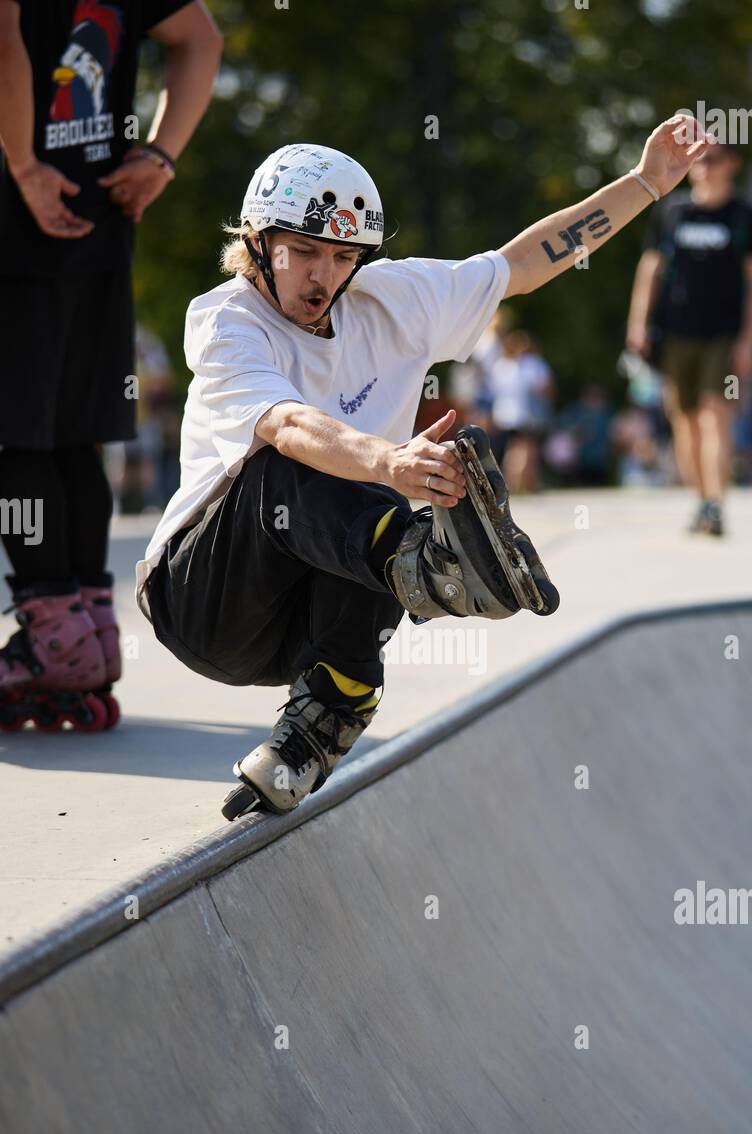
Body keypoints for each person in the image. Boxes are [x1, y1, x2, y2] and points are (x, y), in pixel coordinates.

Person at [135, 118, 710, 820]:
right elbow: (286, 423)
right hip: (203, 600)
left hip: (295, 627)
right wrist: (388, 457)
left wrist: (645, 183)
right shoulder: (228, 321)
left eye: (342, 257)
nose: (322, 277)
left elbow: (524, 265)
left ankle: (325, 715)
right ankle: (420, 563)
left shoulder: (394, 299)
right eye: (303, 253)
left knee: (388, 496)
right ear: (257, 241)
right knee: (306, 465)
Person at [0, 0, 221, 731]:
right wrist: (161, 156)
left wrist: (24, 163)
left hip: (20, 226)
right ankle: (87, 633)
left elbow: (4, 41)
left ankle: (55, 642)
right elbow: (201, 39)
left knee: (17, 440)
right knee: (72, 437)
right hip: (101, 228)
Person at [626, 140, 752, 536]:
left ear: (732, 164)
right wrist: (638, 324)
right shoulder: (672, 211)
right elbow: (650, 268)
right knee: (683, 420)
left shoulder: (746, 217)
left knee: (714, 415)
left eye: (712, 160)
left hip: (724, 334)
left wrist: (749, 341)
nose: (703, 167)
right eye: (697, 160)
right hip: (674, 333)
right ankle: (701, 500)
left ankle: (716, 505)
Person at [489, 330, 555, 493]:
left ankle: (521, 482)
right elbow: (545, 388)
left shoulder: (499, 366)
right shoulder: (531, 365)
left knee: (513, 449)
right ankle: (518, 482)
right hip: (525, 415)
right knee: (526, 449)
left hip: (503, 415)